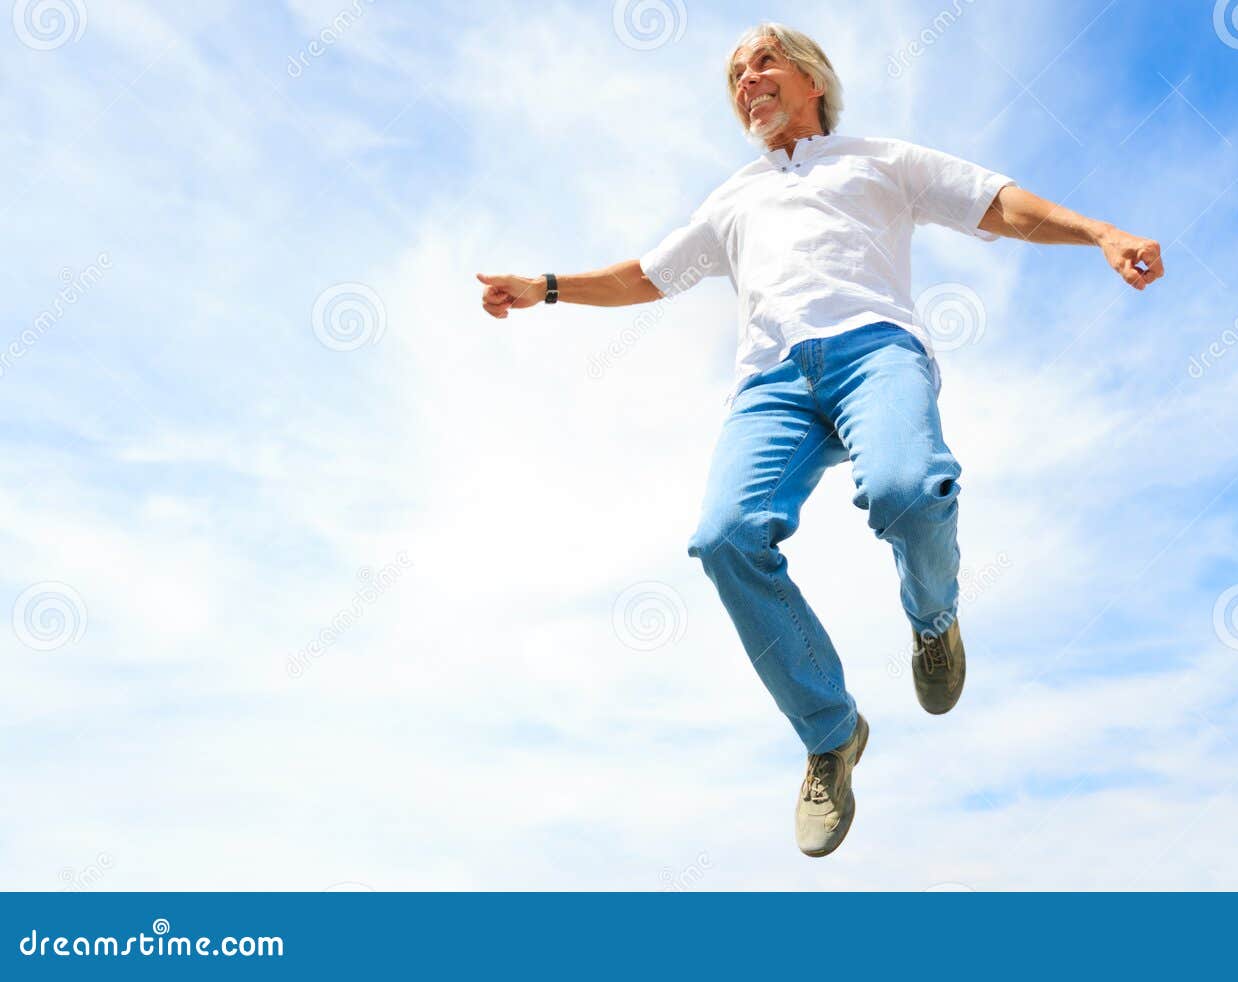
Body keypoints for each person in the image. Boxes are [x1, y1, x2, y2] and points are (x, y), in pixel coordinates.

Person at [476, 22, 1163, 858]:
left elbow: (999, 204)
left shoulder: (879, 159)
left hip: (875, 350)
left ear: (811, 79)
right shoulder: (734, 199)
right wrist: (544, 287)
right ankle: (830, 732)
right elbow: (646, 276)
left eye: (762, 61)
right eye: (735, 74)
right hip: (770, 386)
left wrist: (1099, 233)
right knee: (723, 537)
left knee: (909, 489)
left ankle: (933, 619)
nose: (747, 79)